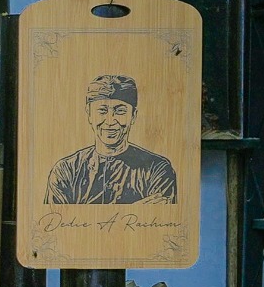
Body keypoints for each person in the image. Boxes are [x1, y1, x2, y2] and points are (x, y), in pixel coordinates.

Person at [45, 74, 179, 206]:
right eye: (102, 111)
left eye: (120, 111)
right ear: (89, 114)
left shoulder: (157, 169)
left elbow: (160, 223)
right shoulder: (66, 170)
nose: (110, 121)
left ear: (133, 116)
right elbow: (56, 223)